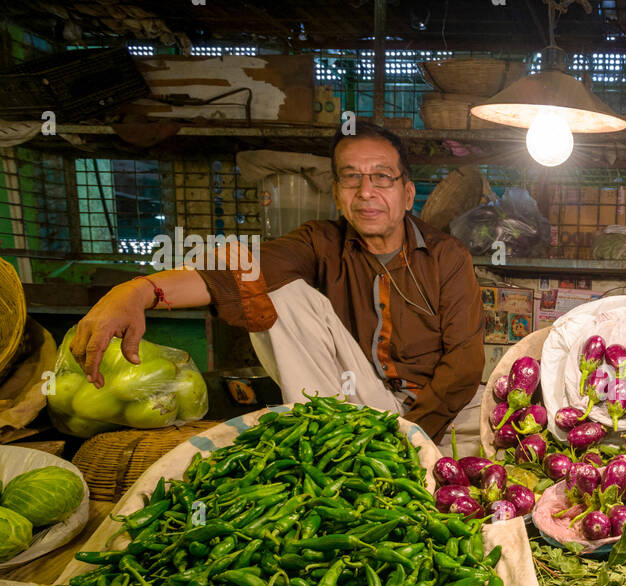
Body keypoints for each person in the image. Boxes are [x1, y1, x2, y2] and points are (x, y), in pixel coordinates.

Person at [70, 120, 485, 442]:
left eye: (381, 177)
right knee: (279, 288)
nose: (366, 192)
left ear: (407, 194)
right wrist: (139, 290)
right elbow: (238, 269)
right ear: (338, 194)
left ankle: (370, 442)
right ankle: (328, 434)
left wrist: (408, 434)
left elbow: (464, 367)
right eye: (351, 178)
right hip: (355, 405)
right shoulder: (320, 241)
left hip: (428, 415)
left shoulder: (446, 256)